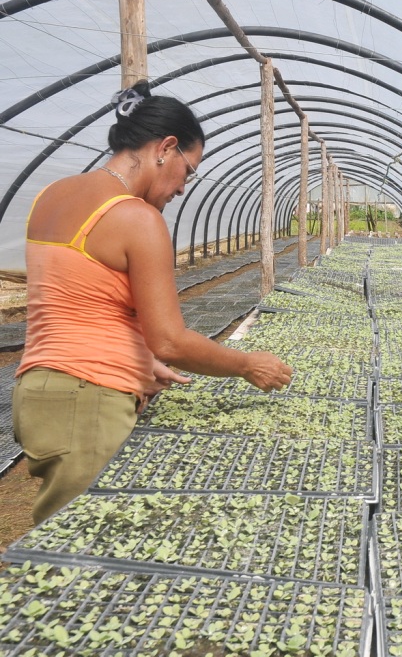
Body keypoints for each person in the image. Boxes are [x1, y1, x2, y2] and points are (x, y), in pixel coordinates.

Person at [12, 81, 294, 524]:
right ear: (165, 148)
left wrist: (136, 358)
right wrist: (247, 364)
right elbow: (170, 341)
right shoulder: (136, 217)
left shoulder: (52, 194)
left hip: (39, 391)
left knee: (67, 535)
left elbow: (76, 297)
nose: (182, 188)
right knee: (89, 544)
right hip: (88, 401)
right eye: (189, 171)